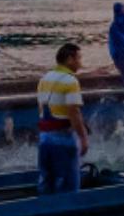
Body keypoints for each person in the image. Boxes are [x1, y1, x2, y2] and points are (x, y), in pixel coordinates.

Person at [37, 41, 89, 194]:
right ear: (69, 59)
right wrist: (83, 138)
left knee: (47, 181)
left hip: (44, 138)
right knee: (69, 184)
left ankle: (45, 211)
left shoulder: (45, 78)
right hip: (62, 138)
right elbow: (74, 112)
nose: (80, 63)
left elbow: (42, 108)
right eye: (79, 59)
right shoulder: (70, 81)